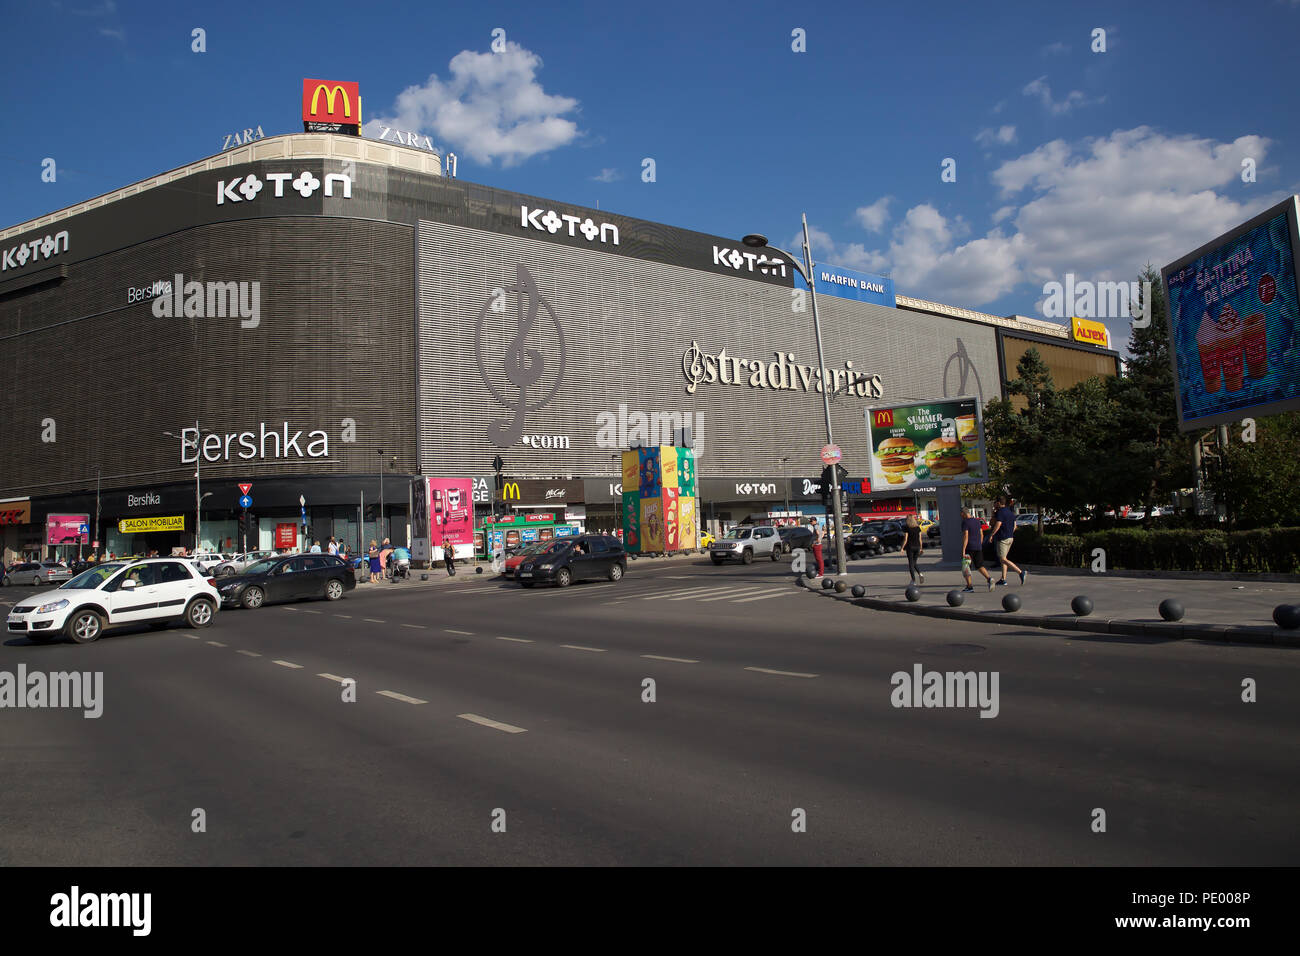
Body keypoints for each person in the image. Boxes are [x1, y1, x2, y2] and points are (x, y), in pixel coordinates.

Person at [988, 496, 1025, 586]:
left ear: (999, 503)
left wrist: (992, 534)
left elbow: (996, 524)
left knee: (1002, 558)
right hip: (1010, 537)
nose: (994, 504)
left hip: (1002, 538)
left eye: (995, 502)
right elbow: (1015, 526)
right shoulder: (1010, 512)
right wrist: (1009, 532)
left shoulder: (1000, 512)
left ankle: (1020, 572)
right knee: (1004, 559)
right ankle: (1003, 579)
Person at [960, 506, 993, 592]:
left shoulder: (965, 522)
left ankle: (969, 586)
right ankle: (989, 579)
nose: (961, 516)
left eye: (961, 514)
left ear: (963, 513)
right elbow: (981, 534)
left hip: (969, 547)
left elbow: (966, 535)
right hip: (978, 547)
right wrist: (980, 544)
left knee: (966, 567)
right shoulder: (977, 521)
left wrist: (963, 549)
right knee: (979, 565)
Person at [903, 514, 924, 584]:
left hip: (910, 547)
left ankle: (913, 580)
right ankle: (920, 573)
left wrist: (902, 547)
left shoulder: (907, 528)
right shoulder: (918, 528)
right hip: (917, 547)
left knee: (911, 564)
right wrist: (921, 548)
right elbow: (920, 539)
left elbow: (906, 539)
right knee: (914, 562)